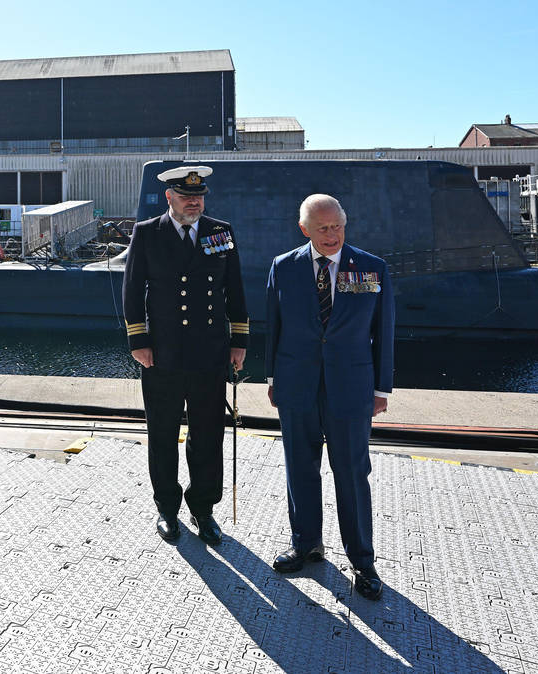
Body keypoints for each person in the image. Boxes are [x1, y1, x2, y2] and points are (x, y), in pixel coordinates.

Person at [264, 194, 394, 600]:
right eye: (322, 228)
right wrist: (272, 378)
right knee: (300, 467)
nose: (331, 234)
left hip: (352, 387)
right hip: (296, 384)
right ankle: (306, 543)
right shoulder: (284, 268)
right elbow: (275, 326)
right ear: (304, 229)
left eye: (337, 226)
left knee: (353, 474)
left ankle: (362, 559)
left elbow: (383, 330)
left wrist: (381, 388)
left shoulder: (371, 268)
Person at [123, 165, 249, 546]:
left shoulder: (219, 232)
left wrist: (239, 341)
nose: (194, 201)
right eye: (185, 195)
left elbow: (235, 289)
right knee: (162, 433)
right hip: (161, 352)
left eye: (199, 195)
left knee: (208, 434)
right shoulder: (147, 233)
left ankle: (203, 508)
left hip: (209, 352)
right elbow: (132, 292)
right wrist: (138, 342)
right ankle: (167, 507)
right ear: (169, 197)